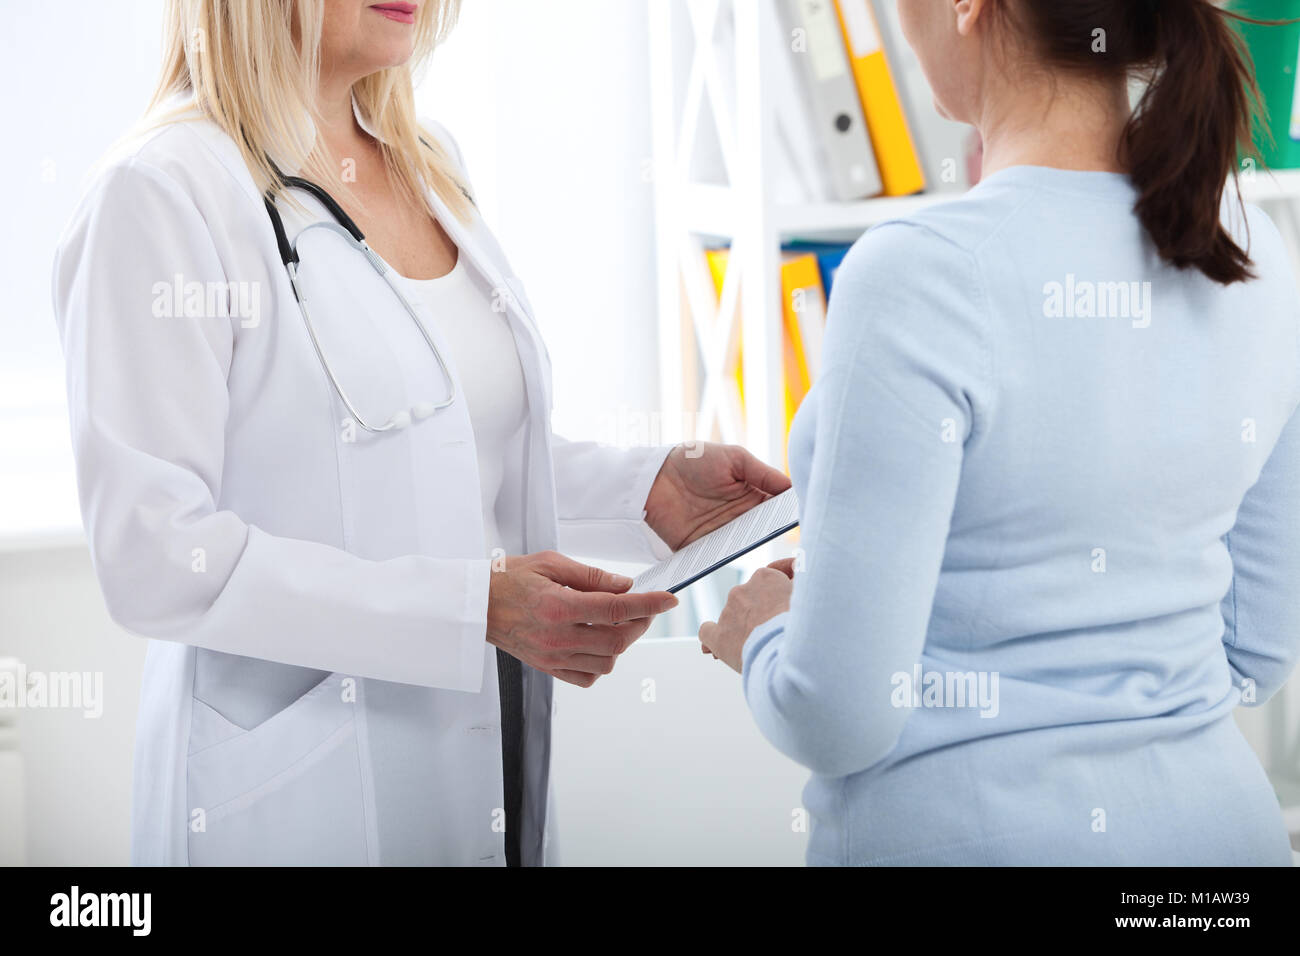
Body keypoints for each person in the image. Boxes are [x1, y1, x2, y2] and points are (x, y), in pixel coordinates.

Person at [51, 0, 788, 866]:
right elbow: (156, 559)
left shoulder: (426, 165)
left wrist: (644, 488)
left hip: (486, 762)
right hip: (289, 797)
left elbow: (447, 449)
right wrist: (470, 605)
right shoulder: (164, 192)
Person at [701, 0, 1300, 865]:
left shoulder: (919, 271)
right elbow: (1257, 655)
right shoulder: (1251, 250)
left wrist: (762, 630)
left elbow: (836, 716)